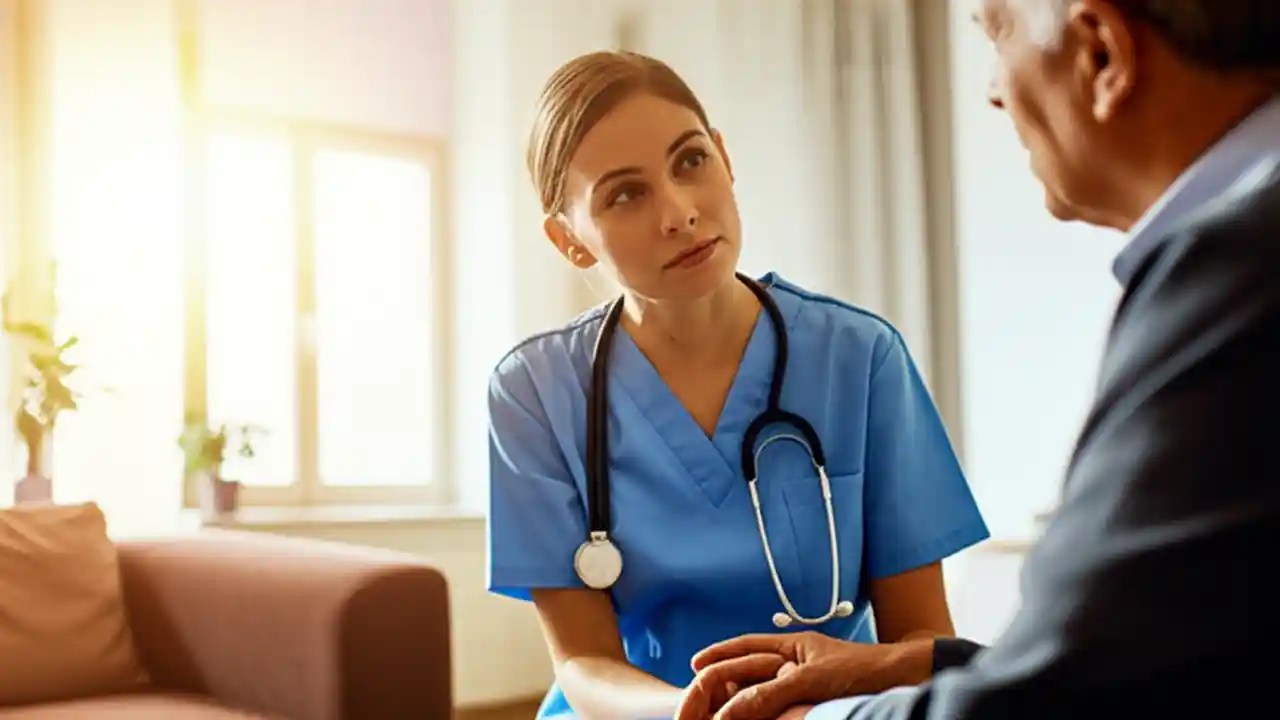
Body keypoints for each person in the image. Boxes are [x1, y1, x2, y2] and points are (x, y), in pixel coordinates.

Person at [678, 0, 1280, 718]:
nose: (994, 88)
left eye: (998, 37)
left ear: (1102, 57)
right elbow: (1157, 648)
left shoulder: (1242, 274)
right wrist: (913, 664)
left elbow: (1065, 696)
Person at [485, 51, 991, 720]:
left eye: (690, 161)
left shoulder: (860, 357)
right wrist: (694, 714)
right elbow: (583, 662)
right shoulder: (533, 393)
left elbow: (922, 638)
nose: (679, 212)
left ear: (724, 158)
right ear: (568, 239)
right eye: (626, 194)